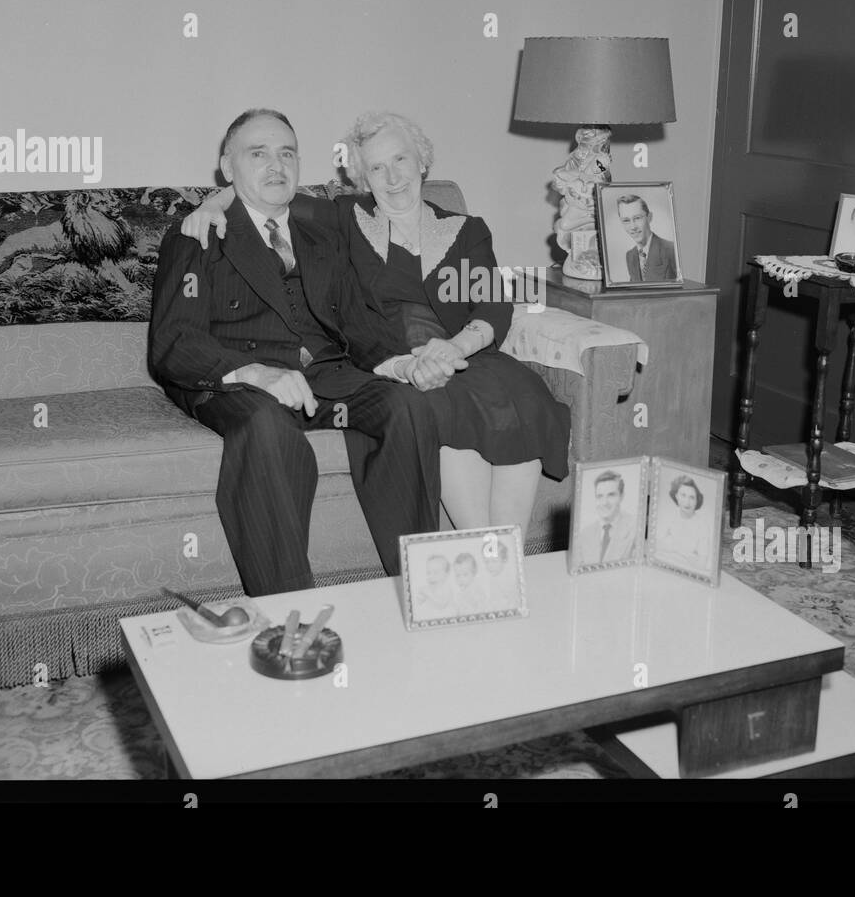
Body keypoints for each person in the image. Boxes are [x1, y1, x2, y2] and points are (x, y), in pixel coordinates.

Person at [181, 111, 571, 534]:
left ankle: (508, 559)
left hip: (465, 356)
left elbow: (493, 305)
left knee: (526, 401)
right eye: (376, 168)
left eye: (401, 160)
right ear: (363, 178)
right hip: (398, 365)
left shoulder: (465, 231)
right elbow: (264, 196)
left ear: (422, 161)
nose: (393, 177)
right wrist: (213, 202)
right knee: (436, 407)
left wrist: (455, 347)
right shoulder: (345, 219)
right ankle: (481, 553)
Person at [149, 108, 443, 598]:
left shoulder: (321, 232)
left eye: (286, 153)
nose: (275, 165)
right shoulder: (199, 235)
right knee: (267, 429)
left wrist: (403, 364)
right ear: (228, 167)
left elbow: (359, 321)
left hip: (324, 376)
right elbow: (174, 342)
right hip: (239, 380)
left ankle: (420, 590)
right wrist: (255, 373)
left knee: (406, 406)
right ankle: (288, 610)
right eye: (257, 153)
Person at [573, 470, 641, 566]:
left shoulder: (635, 529)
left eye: (611, 495)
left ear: (621, 496)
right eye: (599, 496)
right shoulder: (585, 534)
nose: (604, 502)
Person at [617, 194, 678, 282]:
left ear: (649, 217)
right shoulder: (630, 256)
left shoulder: (671, 250)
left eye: (637, 218)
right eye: (626, 220)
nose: (633, 227)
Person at [656, 474, 709, 569]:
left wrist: (673, 549)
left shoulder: (702, 525)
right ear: (676, 496)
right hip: (664, 565)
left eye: (692, 497)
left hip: (687, 569)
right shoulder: (669, 516)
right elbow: (655, 546)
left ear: (697, 500)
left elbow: (702, 563)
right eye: (683, 495)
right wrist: (685, 553)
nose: (687, 502)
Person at [413, 554, 456, 619]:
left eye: (436, 573)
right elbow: (419, 603)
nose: (431, 576)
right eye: (428, 573)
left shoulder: (446, 588)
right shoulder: (429, 588)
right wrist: (420, 597)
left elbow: (442, 604)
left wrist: (428, 594)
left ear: (446, 574)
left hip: (446, 618)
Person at [482, 539, 520, 611]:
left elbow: (512, 597)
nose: (490, 565)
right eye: (487, 562)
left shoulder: (508, 578)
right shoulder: (489, 577)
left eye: (494, 561)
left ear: (504, 560)